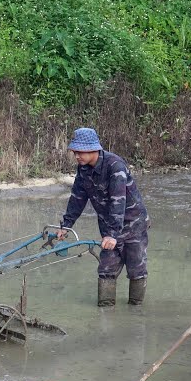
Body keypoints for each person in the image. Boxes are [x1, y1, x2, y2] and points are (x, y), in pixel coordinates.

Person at [54, 127, 150, 307]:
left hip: (133, 225)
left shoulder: (115, 167)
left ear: (93, 149)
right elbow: (77, 198)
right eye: (75, 152)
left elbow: (118, 201)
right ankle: (106, 310)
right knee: (106, 269)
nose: (76, 156)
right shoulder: (83, 169)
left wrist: (113, 234)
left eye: (80, 152)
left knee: (136, 270)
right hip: (109, 226)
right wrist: (66, 226)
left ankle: (136, 312)